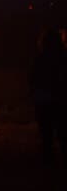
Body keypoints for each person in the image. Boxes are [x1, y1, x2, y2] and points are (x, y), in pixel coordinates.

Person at [29, 28, 67, 165]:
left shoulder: (40, 58)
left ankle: (49, 162)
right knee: (62, 133)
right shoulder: (63, 57)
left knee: (47, 135)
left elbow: (32, 79)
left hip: (44, 100)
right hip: (60, 100)